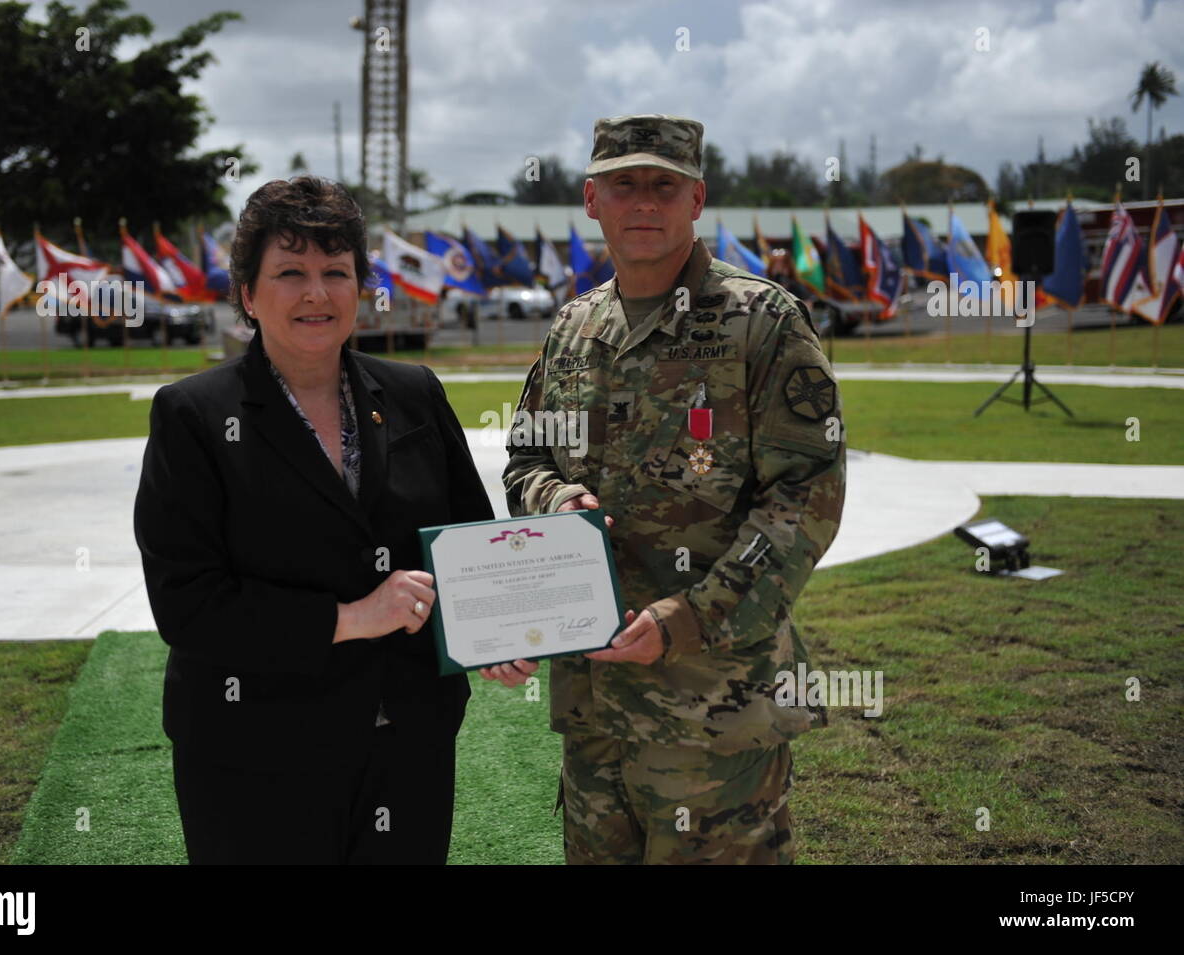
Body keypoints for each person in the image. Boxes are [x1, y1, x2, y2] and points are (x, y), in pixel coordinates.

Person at [490, 115, 846, 865]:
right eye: (625, 184)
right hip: (593, 711)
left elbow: (807, 496)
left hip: (717, 710)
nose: (644, 201)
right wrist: (554, 500)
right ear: (592, 199)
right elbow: (527, 457)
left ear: (697, 199)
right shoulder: (571, 330)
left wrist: (690, 615)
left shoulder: (762, 322)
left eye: (664, 184)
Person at [133, 175, 493, 864]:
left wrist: (490, 628)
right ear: (247, 294)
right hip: (255, 757)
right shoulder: (194, 416)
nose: (316, 293)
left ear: (361, 287)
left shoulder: (415, 394)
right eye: (289, 272)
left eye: (336, 271)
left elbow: (466, 545)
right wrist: (353, 617)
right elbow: (188, 604)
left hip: (407, 751)